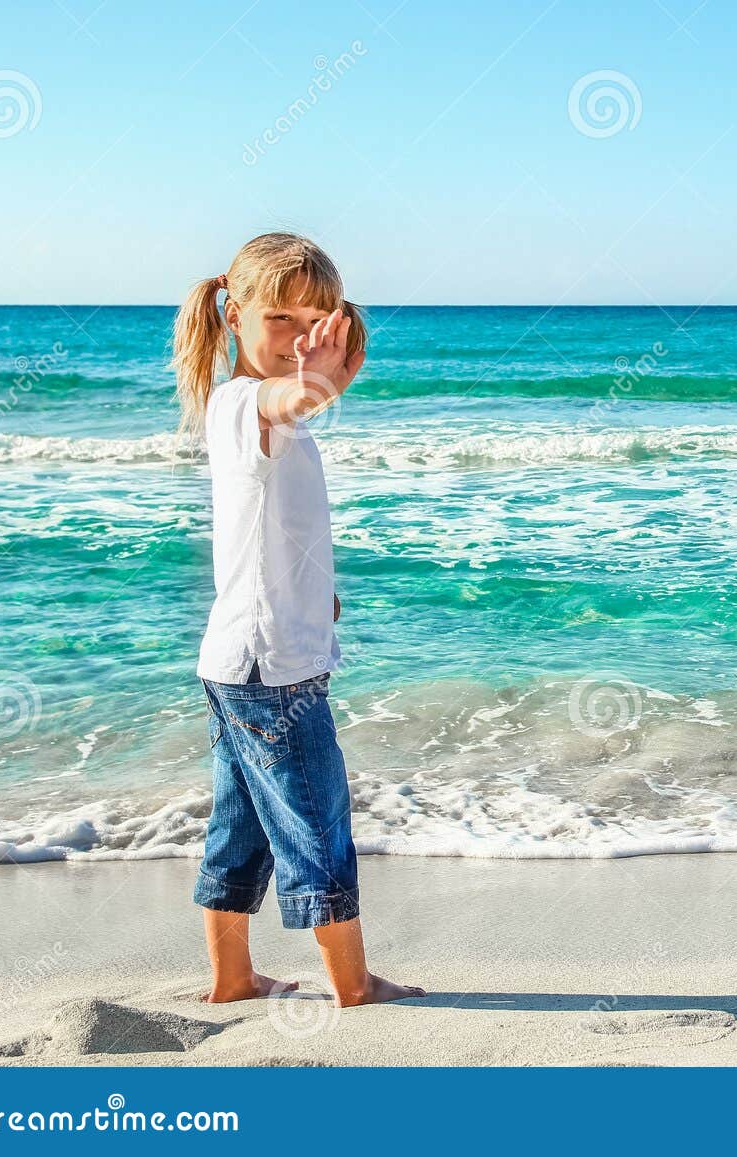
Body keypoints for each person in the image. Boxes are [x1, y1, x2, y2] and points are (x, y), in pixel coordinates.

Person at [171, 232, 423, 1006]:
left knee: (240, 828)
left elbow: (276, 531)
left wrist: (323, 594)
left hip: (241, 660)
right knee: (319, 822)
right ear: (235, 312)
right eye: (280, 317)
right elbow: (288, 396)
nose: (298, 336)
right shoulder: (250, 402)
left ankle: (233, 977)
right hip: (271, 669)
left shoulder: (260, 413)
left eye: (317, 318)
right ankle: (353, 985)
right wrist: (316, 382)